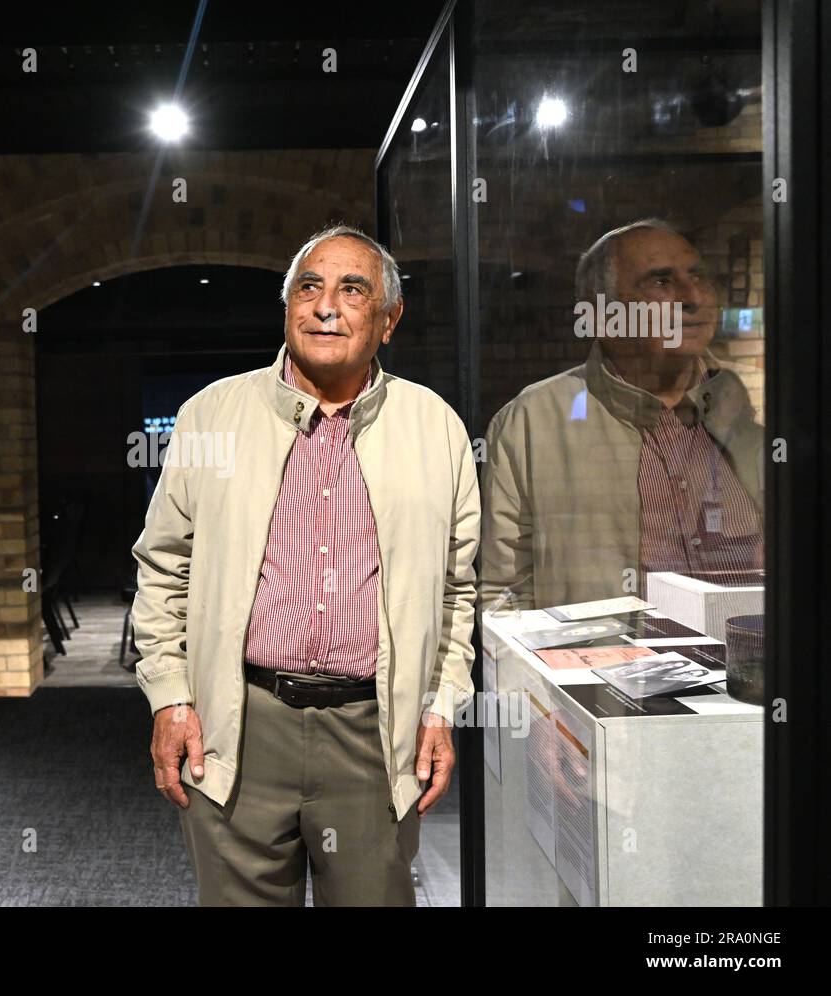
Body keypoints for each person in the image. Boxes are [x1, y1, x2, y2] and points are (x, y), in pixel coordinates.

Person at [130, 223, 479, 906]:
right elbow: (164, 567)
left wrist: (441, 710)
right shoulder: (209, 416)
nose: (326, 306)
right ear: (288, 304)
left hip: (375, 738)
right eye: (309, 287)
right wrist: (171, 697)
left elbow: (456, 592)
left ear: (388, 320)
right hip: (240, 728)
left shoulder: (436, 427)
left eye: (353, 290)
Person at [480, 218, 764, 611]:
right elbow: (506, 592)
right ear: (605, 315)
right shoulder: (532, 422)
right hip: (599, 669)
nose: (693, 297)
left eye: (697, 276)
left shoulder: (747, 420)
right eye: (661, 282)